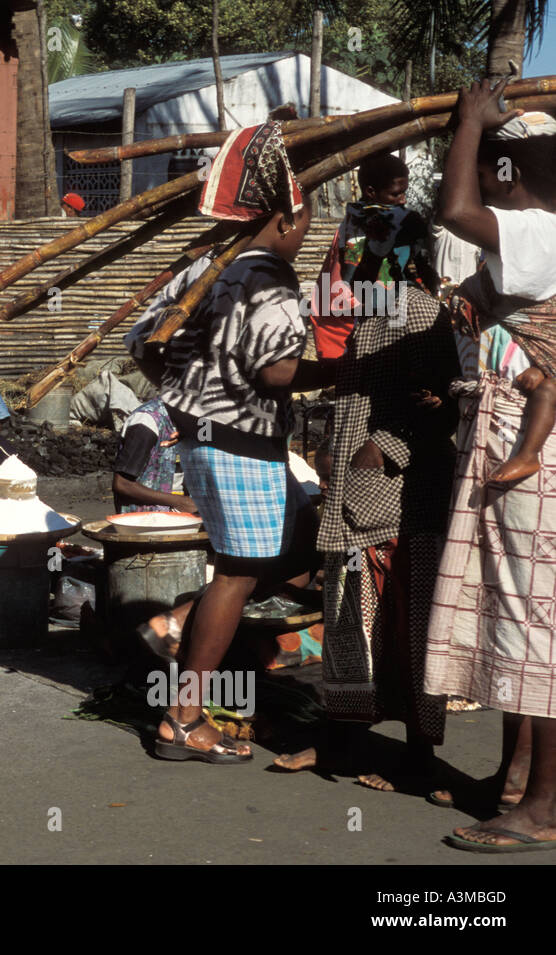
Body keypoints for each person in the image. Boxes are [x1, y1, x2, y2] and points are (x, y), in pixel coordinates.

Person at [126, 121, 324, 763]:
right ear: (286, 217)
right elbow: (275, 373)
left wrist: (187, 400)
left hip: (203, 437)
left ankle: (177, 625)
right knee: (242, 570)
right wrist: (347, 373)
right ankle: (181, 718)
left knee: (251, 561)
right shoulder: (268, 276)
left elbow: (143, 342)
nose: (306, 235)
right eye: (306, 222)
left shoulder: (212, 270)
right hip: (242, 440)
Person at [423, 82, 556, 852]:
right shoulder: (535, 245)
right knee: (524, 622)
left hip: (526, 459)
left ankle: (540, 806)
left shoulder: (536, 229)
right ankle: (516, 780)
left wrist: (469, 122)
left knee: (535, 629)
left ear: (506, 172)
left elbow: (455, 215)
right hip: (520, 449)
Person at [273, 280, 460, 792]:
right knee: (349, 621)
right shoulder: (368, 316)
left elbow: (444, 404)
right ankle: (345, 742)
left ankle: (420, 755)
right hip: (358, 496)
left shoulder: (420, 312)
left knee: (408, 626)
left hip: (401, 497)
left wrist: (384, 446)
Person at [309, 153, 438, 362]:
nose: (403, 200)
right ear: (370, 191)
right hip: (357, 315)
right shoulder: (375, 226)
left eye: (404, 192)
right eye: (396, 194)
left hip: (351, 312)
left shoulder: (354, 220)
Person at [111, 398, 195, 514]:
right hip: (146, 518)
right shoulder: (146, 421)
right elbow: (122, 484)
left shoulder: (200, 420)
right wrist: (180, 502)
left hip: (184, 509)